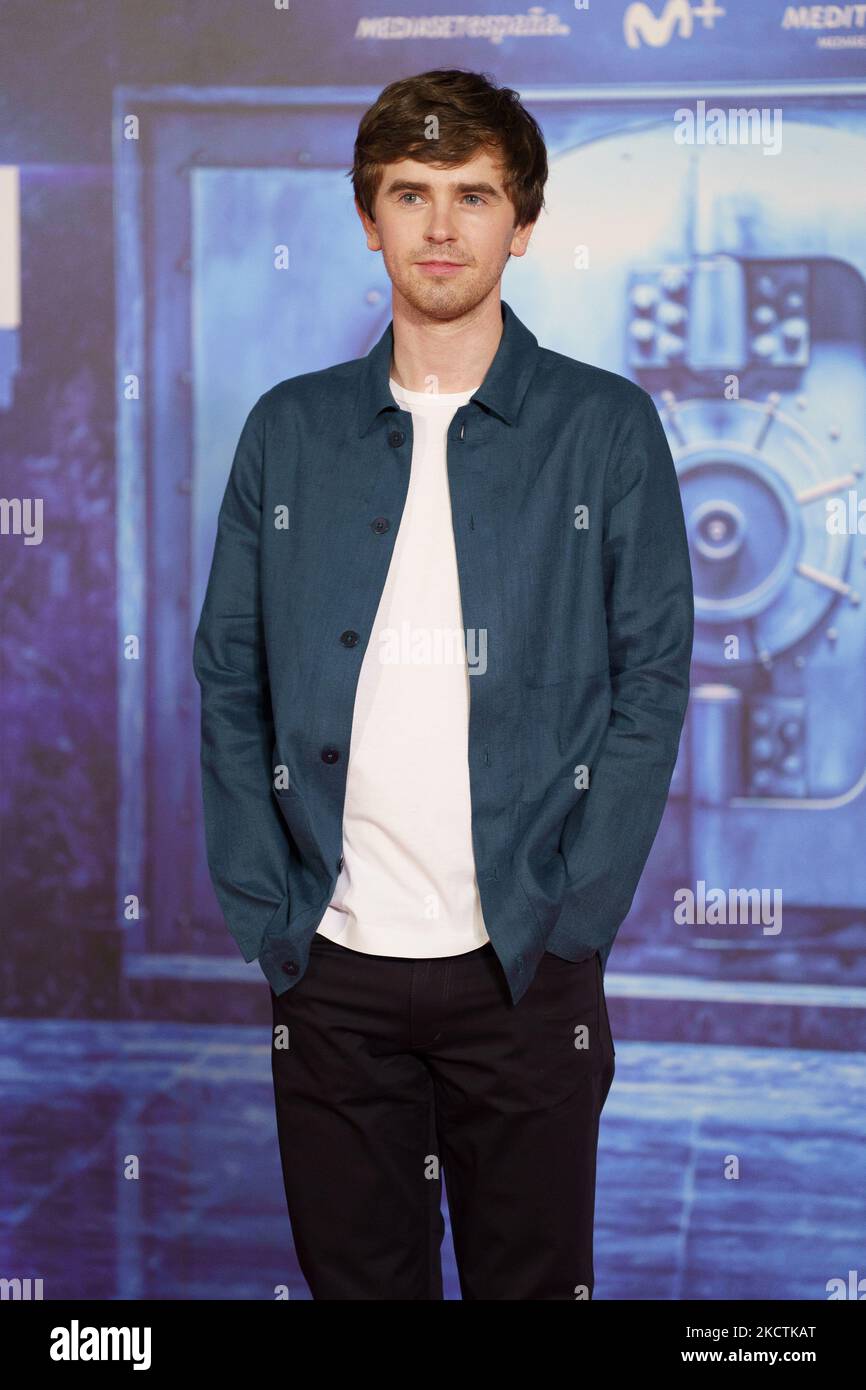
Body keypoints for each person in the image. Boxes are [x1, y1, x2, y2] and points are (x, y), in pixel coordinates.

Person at [193, 68, 694, 1300]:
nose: (437, 226)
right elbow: (227, 677)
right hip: (334, 972)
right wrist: (272, 916)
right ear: (367, 217)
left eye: (472, 195)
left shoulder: (604, 427)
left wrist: (574, 917)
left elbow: (653, 678)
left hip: (522, 970)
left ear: (521, 224)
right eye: (408, 193)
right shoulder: (288, 430)